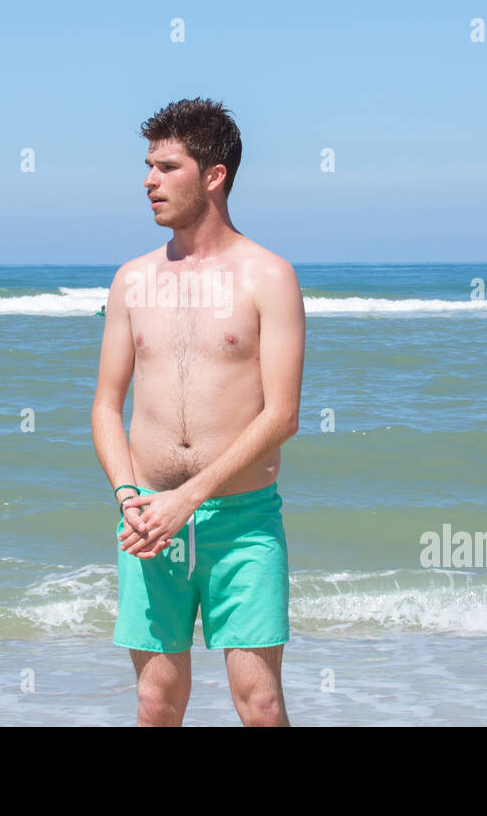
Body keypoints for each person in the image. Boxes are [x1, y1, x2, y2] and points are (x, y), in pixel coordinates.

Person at [91, 98, 305, 726]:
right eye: (148, 166)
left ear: (214, 175)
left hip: (242, 522)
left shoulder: (269, 275)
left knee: (260, 704)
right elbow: (106, 406)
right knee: (157, 702)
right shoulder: (131, 280)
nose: (148, 181)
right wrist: (131, 497)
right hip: (149, 520)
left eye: (166, 166)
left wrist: (192, 497)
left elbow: (282, 415)